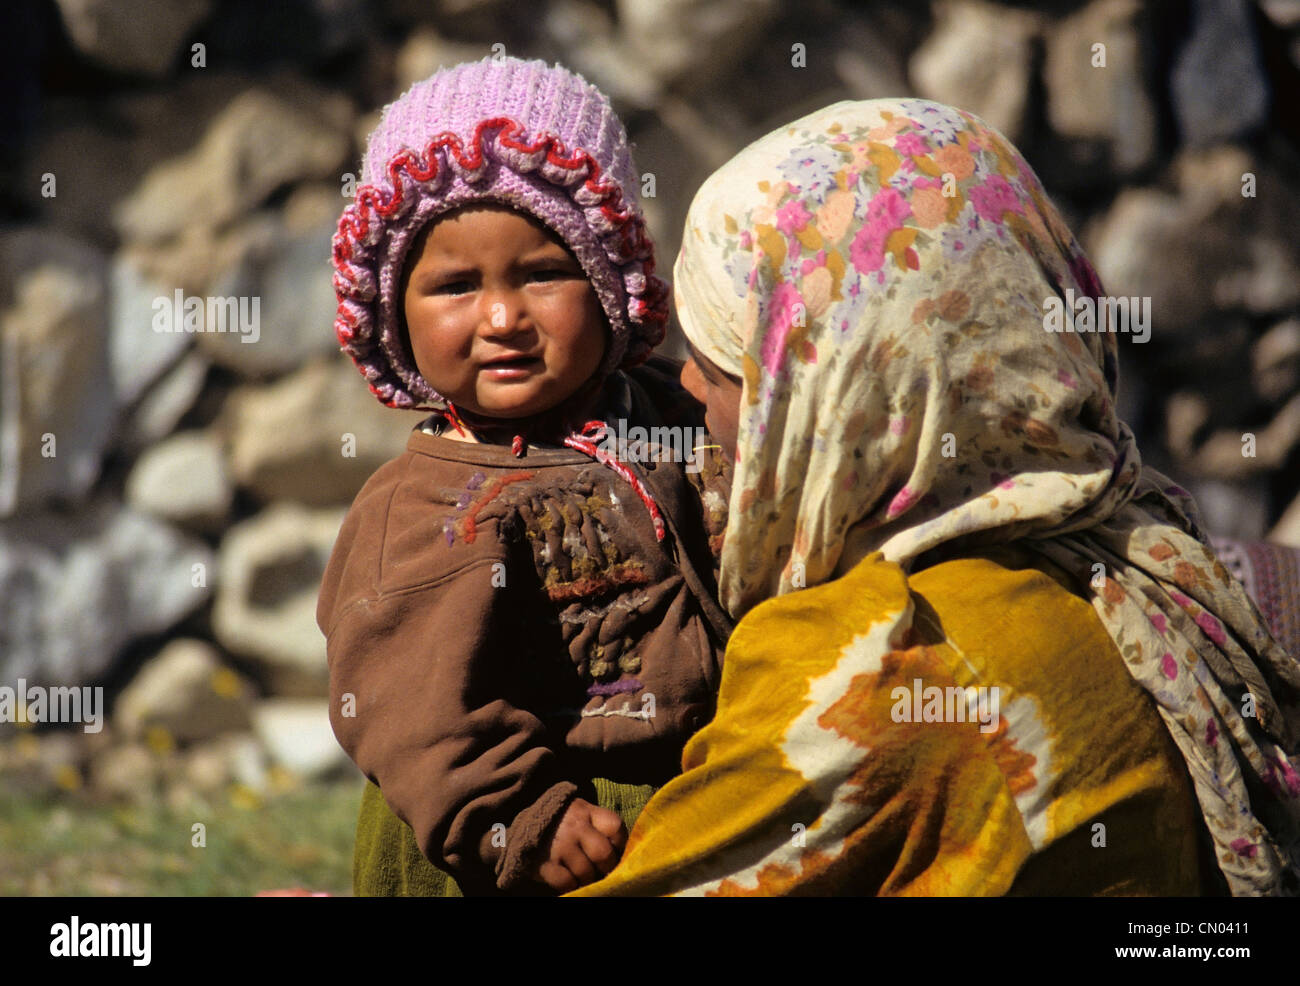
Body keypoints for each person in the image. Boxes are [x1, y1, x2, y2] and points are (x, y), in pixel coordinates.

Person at [571, 97, 1300, 896]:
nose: (687, 387)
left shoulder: (883, 665)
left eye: (723, 368)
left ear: (844, 399)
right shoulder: (1137, 539)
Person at [320, 56, 733, 896]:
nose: (503, 318)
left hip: (678, 792)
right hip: (522, 835)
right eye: (455, 286)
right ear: (397, 311)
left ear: (610, 281)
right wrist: (521, 816)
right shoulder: (425, 510)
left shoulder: (668, 413)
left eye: (544, 273)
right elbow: (409, 706)